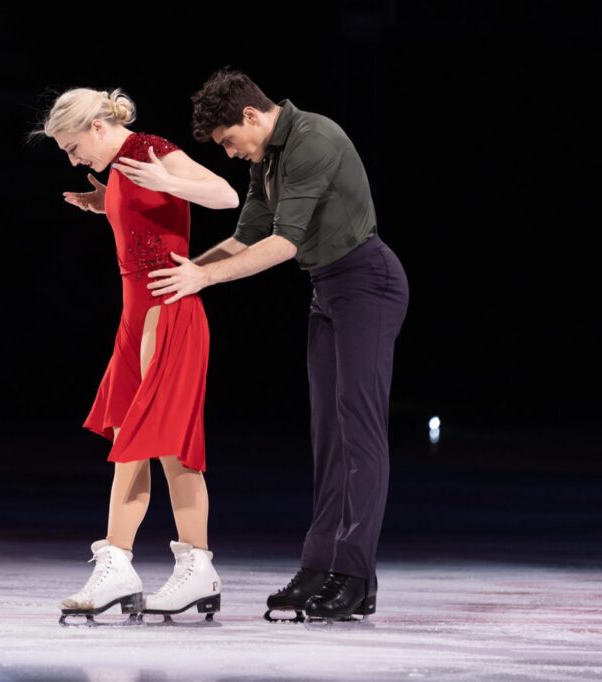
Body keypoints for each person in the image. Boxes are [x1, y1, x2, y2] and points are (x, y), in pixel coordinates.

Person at [147, 68, 409, 622]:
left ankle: (356, 576)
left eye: (227, 142)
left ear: (250, 116)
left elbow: (283, 244)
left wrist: (205, 280)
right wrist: (187, 271)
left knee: (360, 434)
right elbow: (245, 236)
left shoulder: (313, 138)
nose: (230, 152)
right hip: (328, 289)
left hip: (368, 282)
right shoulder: (267, 158)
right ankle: (320, 566)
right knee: (328, 436)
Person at [31, 87, 238, 625]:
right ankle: (121, 562)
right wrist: (109, 203)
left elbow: (225, 196)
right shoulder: (121, 170)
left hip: (168, 308)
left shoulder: (148, 151)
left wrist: (170, 181)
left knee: (167, 444)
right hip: (135, 315)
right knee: (130, 438)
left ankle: (193, 568)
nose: (76, 161)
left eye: (75, 148)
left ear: (97, 128)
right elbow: (147, 223)